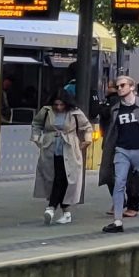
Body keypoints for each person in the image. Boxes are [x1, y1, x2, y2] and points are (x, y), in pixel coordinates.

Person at [100, 75, 139, 233]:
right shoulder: (115, 109)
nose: (119, 88)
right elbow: (112, 130)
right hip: (122, 150)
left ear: (132, 87)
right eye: (118, 86)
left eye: (123, 85)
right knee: (119, 183)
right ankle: (118, 221)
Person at [29, 92, 90, 225]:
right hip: (51, 147)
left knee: (62, 178)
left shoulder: (75, 112)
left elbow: (87, 127)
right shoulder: (46, 111)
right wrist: (37, 139)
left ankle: (51, 208)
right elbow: (36, 124)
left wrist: (87, 140)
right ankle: (66, 212)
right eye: (56, 104)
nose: (58, 107)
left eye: (61, 104)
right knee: (53, 178)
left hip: (69, 149)